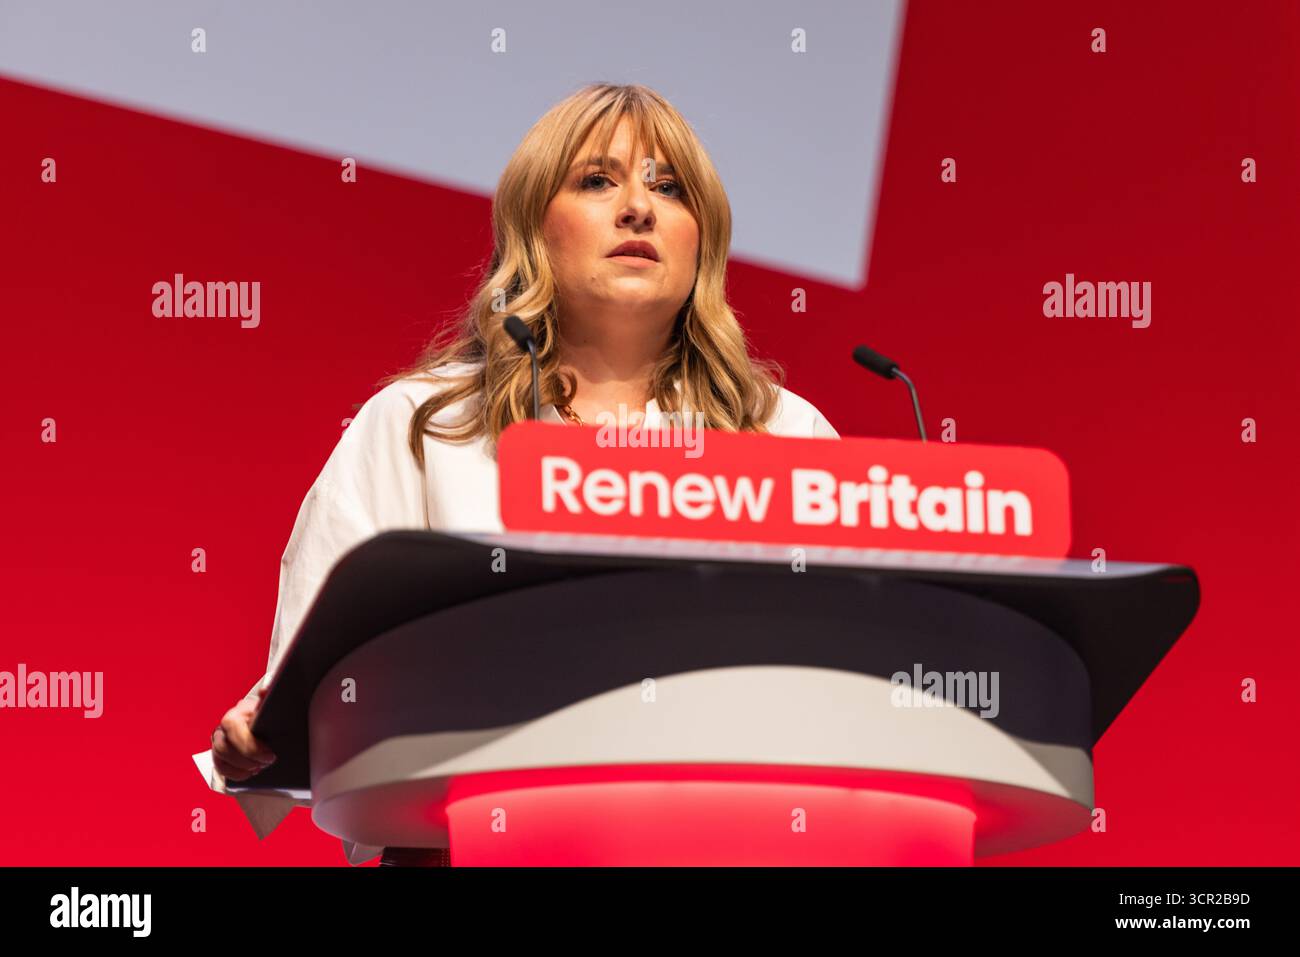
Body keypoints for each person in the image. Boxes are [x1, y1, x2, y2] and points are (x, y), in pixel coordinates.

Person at [201, 81, 840, 866]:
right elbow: (312, 684)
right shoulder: (422, 425)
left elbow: (841, 680)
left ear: (702, 239)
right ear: (534, 229)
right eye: (598, 180)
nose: (638, 207)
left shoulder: (785, 434)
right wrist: (273, 724)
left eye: (670, 188)